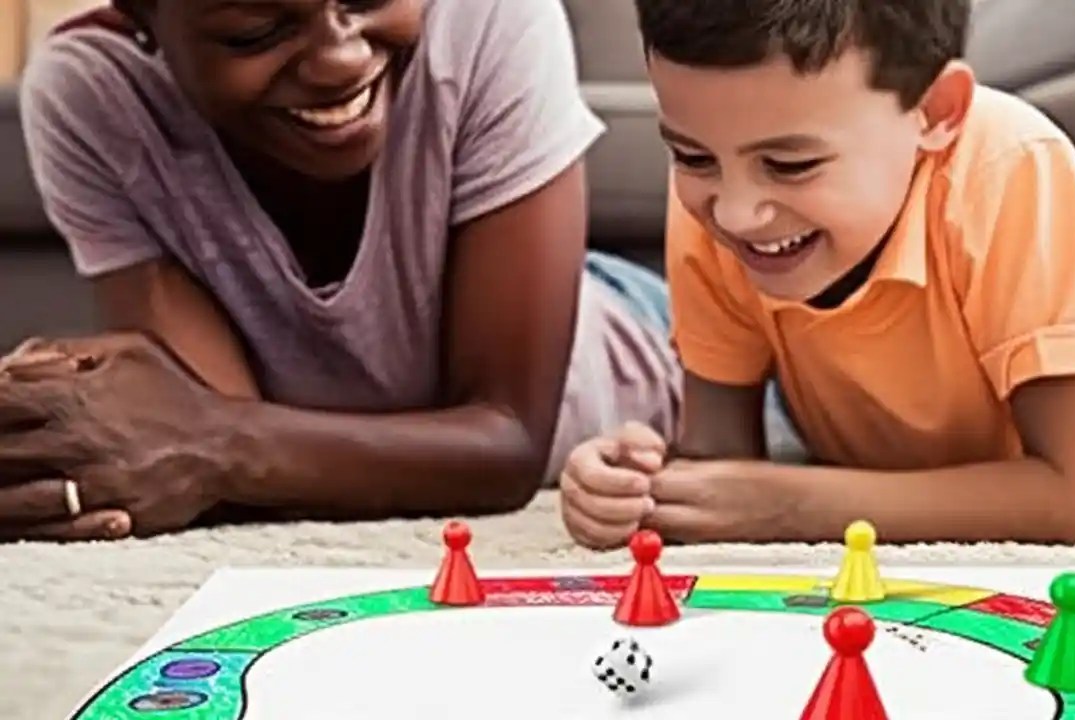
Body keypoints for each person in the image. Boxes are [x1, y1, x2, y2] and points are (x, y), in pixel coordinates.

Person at [558, 0, 1075, 549]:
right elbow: (722, 460)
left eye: (792, 164)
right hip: (979, 377)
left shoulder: (1010, 166)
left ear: (936, 112)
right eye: (692, 156)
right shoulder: (716, 205)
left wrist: (794, 506)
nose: (739, 211)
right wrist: (637, 487)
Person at [0, 0, 683, 542]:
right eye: (255, 31)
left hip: (639, 340)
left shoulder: (488, 16)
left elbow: (507, 444)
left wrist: (209, 442)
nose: (339, 59)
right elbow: (201, 454)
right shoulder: (93, 91)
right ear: (142, 15)